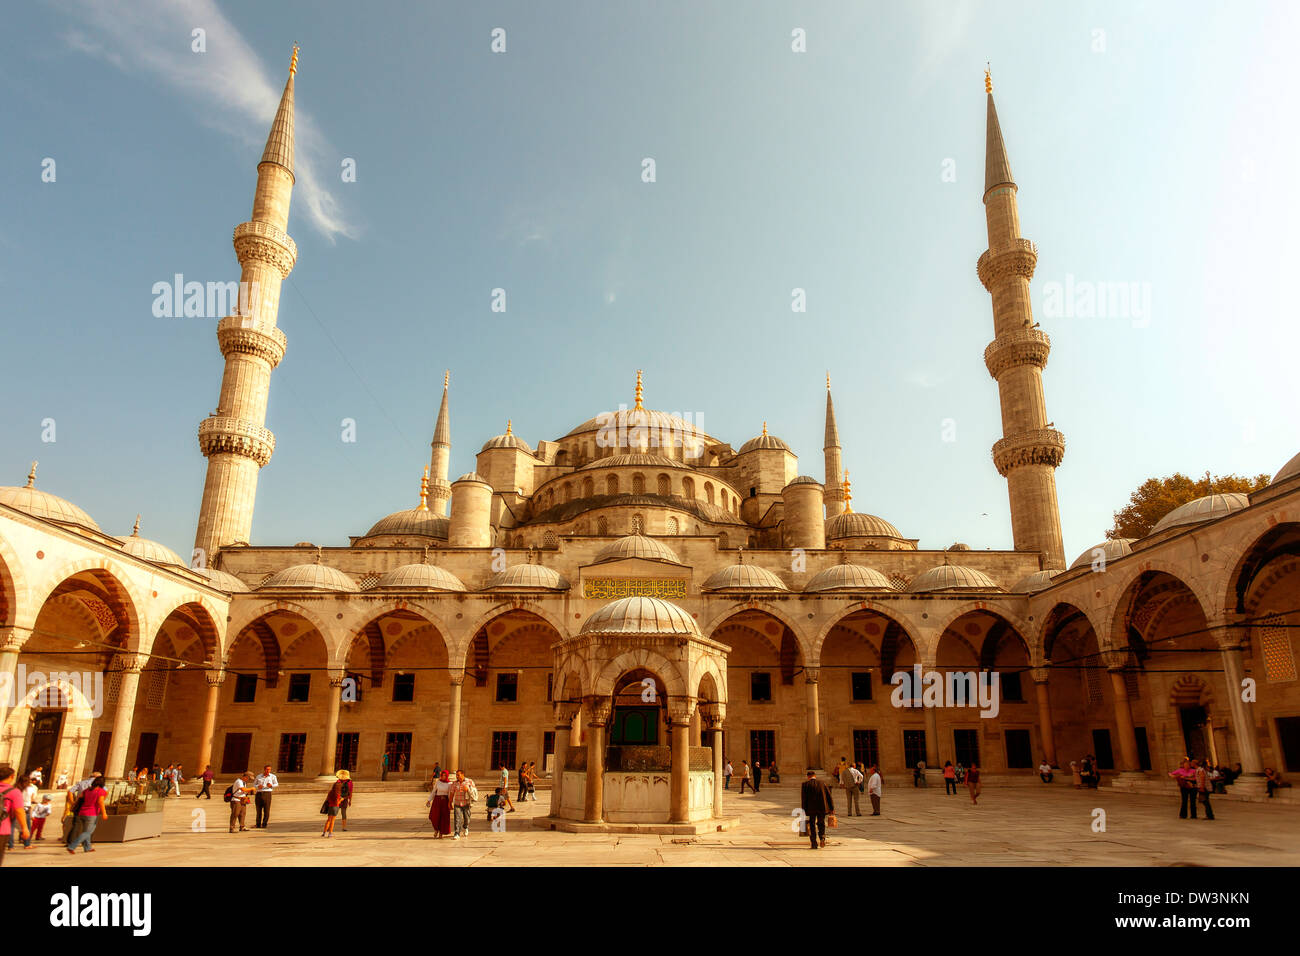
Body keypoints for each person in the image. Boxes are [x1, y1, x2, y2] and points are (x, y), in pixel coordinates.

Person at [66, 774, 106, 854]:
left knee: (86, 831)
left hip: (82, 812)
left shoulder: (87, 790)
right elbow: (100, 802)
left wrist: (73, 805)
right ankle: (72, 846)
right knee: (88, 832)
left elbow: (79, 798)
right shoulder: (101, 791)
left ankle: (87, 848)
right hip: (92, 813)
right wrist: (104, 813)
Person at [0, 766, 30, 866]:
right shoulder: (14, 791)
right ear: (12, 776)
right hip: (2, 829)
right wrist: (24, 828)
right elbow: (19, 811)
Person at [800, 770, 835, 850]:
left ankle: (814, 843)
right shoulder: (822, 783)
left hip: (811, 808)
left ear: (808, 776)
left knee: (812, 825)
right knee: (821, 823)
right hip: (822, 807)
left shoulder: (805, 784)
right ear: (815, 776)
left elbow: (804, 799)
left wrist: (803, 810)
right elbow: (829, 796)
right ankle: (822, 837)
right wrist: (831, 808)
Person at [450, 770, 476, 839]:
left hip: (466, 803)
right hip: (457, 803)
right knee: (457, 818)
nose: (457, 776)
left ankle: (465, 826)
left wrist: (468, 789)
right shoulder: (454, 783)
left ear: (463, 774)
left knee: (467, 818)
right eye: (456, 775)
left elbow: (474, 791)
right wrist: (450, 802)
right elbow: (452, 793)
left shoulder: (469, 781)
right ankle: (457, 833)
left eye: (458, 775)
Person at [427, 770, 452, 838]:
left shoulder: (450, 783)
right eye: (442, 775)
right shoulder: (438, 782)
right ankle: (436, 829)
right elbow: (433, 791)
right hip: (437, 801)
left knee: (443, 817)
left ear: (447, 776)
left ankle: (441, 832)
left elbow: (450, 794)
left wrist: (450, 802)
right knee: (435, 816)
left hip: (445, 801)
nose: (443, 777)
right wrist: (429, 800)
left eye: (445, 775)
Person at [253, 764, 278, 828]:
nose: (268, 770)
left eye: (269, 769)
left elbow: (276, 784)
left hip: (267, 793)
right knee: (258, 810)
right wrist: (258, 786)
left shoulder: (272, 776)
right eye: (267, 769)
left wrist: (271, 785)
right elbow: (254, 784)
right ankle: (258, 824)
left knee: (266, 810)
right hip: (259, 793)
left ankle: (264, 824)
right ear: (264, 769)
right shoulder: (259, 776)